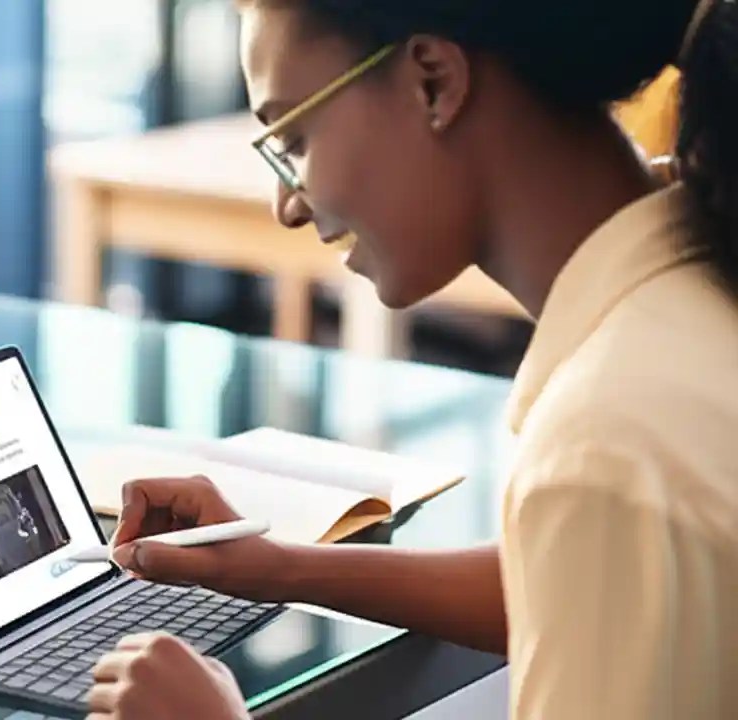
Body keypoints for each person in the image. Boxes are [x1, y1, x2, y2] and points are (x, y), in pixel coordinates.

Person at [85, 1, 738, 718]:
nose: (288, 206)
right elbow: (600, 588)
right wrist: (280, 567)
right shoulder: (696, 298)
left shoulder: (607, 444)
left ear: (433, 81)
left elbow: (606, 518)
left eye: (295, 139)